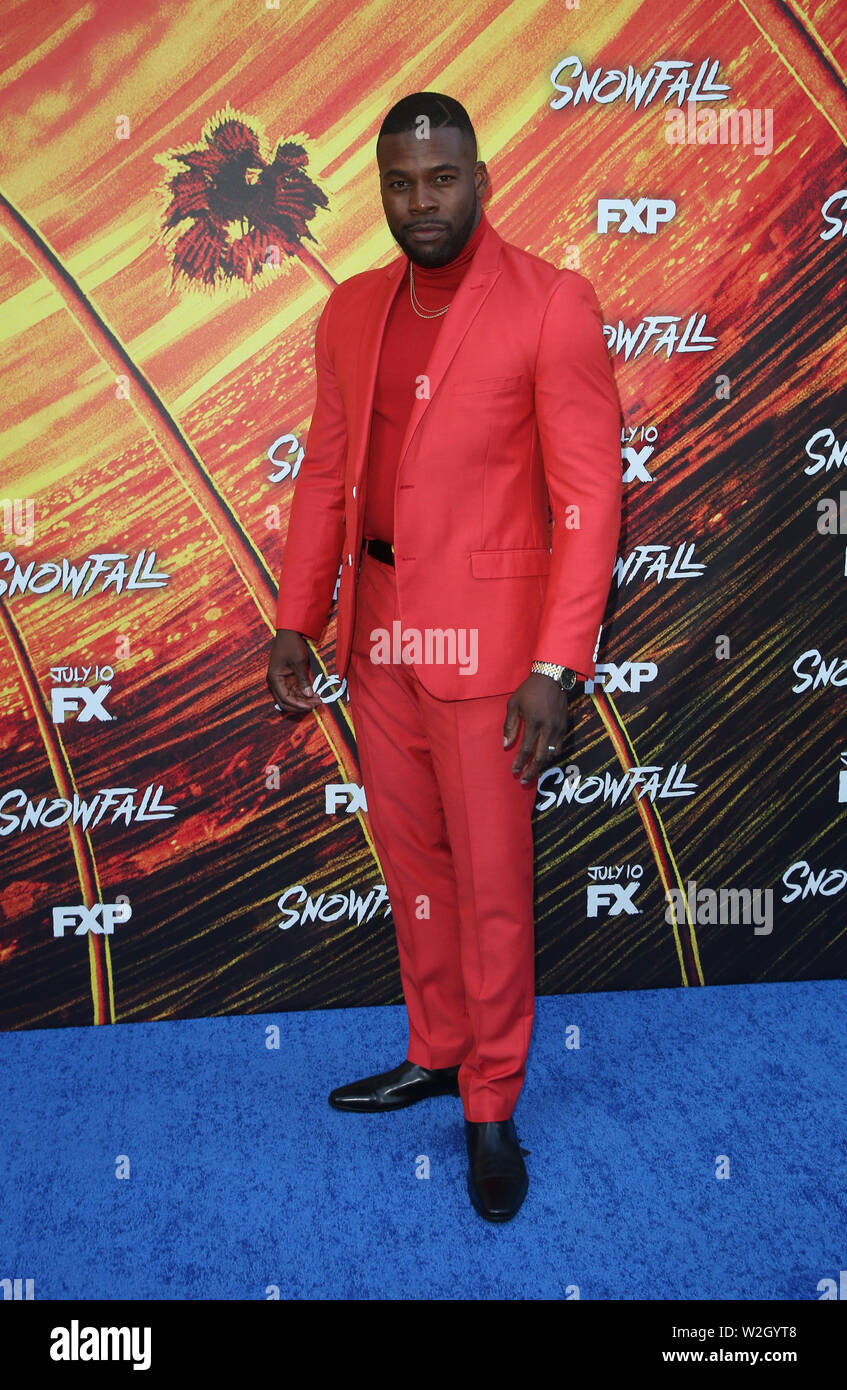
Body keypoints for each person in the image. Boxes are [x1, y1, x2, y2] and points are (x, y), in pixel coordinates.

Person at [266, 92, 623, 1222]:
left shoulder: (551, 306)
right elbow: (326, 474)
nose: (420, 202)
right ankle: (436, 1046)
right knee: (416, 874)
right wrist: (297, 617)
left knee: (492, 890)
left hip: (491, 658)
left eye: (441, 178)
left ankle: (491, 1099)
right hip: (379, 642)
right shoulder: (352, 311)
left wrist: (556, 667)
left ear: (480, 177)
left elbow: (588, 500)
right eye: (400, 182)